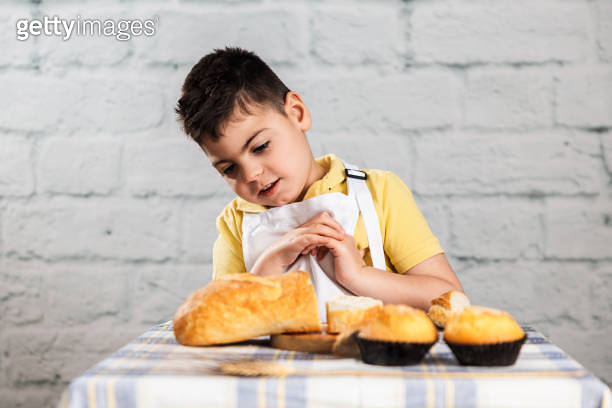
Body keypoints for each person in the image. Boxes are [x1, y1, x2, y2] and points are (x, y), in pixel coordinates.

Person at [175, 47, 463, 313]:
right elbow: (220, 316)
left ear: (297, 113)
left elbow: (448, 297)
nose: (250, 174)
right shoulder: (235, 223)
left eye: (261, 147)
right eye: (229, 169)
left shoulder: (377, 193)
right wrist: (271, 262)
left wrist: (359, 276)